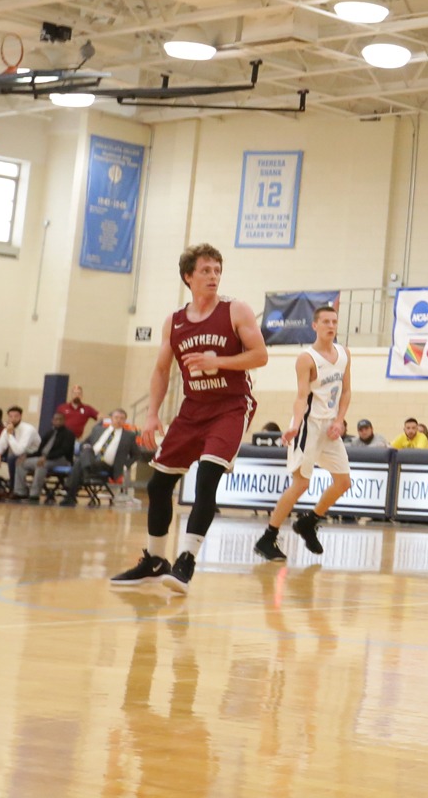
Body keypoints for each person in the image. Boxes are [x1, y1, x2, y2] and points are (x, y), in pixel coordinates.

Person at [110, 243, 267, 595]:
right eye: (206, 271)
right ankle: (153, 561)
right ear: (188, 276)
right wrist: (151, 415)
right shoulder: (174, 321)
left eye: (217, 270)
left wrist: (219, 362)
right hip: (192, 409)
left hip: (230, 405)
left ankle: (187, 560)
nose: (213, 276)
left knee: (206, 480)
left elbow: (260, 356)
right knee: (157, 485)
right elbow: (162, 370)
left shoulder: (236, 310)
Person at [257, 304, 353, 562]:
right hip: (308, 426)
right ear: (315, 325)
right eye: (325, 322)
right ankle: (268, 537)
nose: (331, 326)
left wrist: (340, 421)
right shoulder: (306, 358)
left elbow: (345, 392)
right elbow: (301, 397)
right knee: (301, 483)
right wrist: (295, 425)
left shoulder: (344, 354)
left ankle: (309, 521)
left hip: (330, 427)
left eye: (334, 322)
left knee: (344, 482)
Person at [67, 410, 151, 504]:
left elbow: (136, 454)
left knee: (79, 463)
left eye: (121, 418)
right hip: (91, 458)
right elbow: (84, 443)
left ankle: (70, 494)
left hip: (107, 464)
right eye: (116, 418)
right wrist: (86, 448)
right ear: (111, 419)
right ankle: (84, 474)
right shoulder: (98, 430)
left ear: (125, 420)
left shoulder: (129, 436)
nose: (118, 420)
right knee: (86, 451)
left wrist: (125, 465)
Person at [18, 409, 77, 501]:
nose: (58, 421)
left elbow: (63, 451)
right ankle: (20, 491)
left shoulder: (69, 434)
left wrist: (46, 457)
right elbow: (39, 451)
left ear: (64, 421)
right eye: (56, 419)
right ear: (52, 421)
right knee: (21, 463)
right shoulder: (49, 433)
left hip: (62, 460)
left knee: (41, 464)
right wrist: (27, 456)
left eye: (60, 420)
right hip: (44, 458)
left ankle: (35, 494)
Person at [0, 407, 38, 498]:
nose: (13, 419)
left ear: (21, 416)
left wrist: (10, 435)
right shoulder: (7, 429)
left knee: (13, 459)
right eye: (11, 416)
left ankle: (14, 488)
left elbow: (19, 451)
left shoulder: (28, 429)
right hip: (16, 455)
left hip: (32, 455)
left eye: (16, 416)